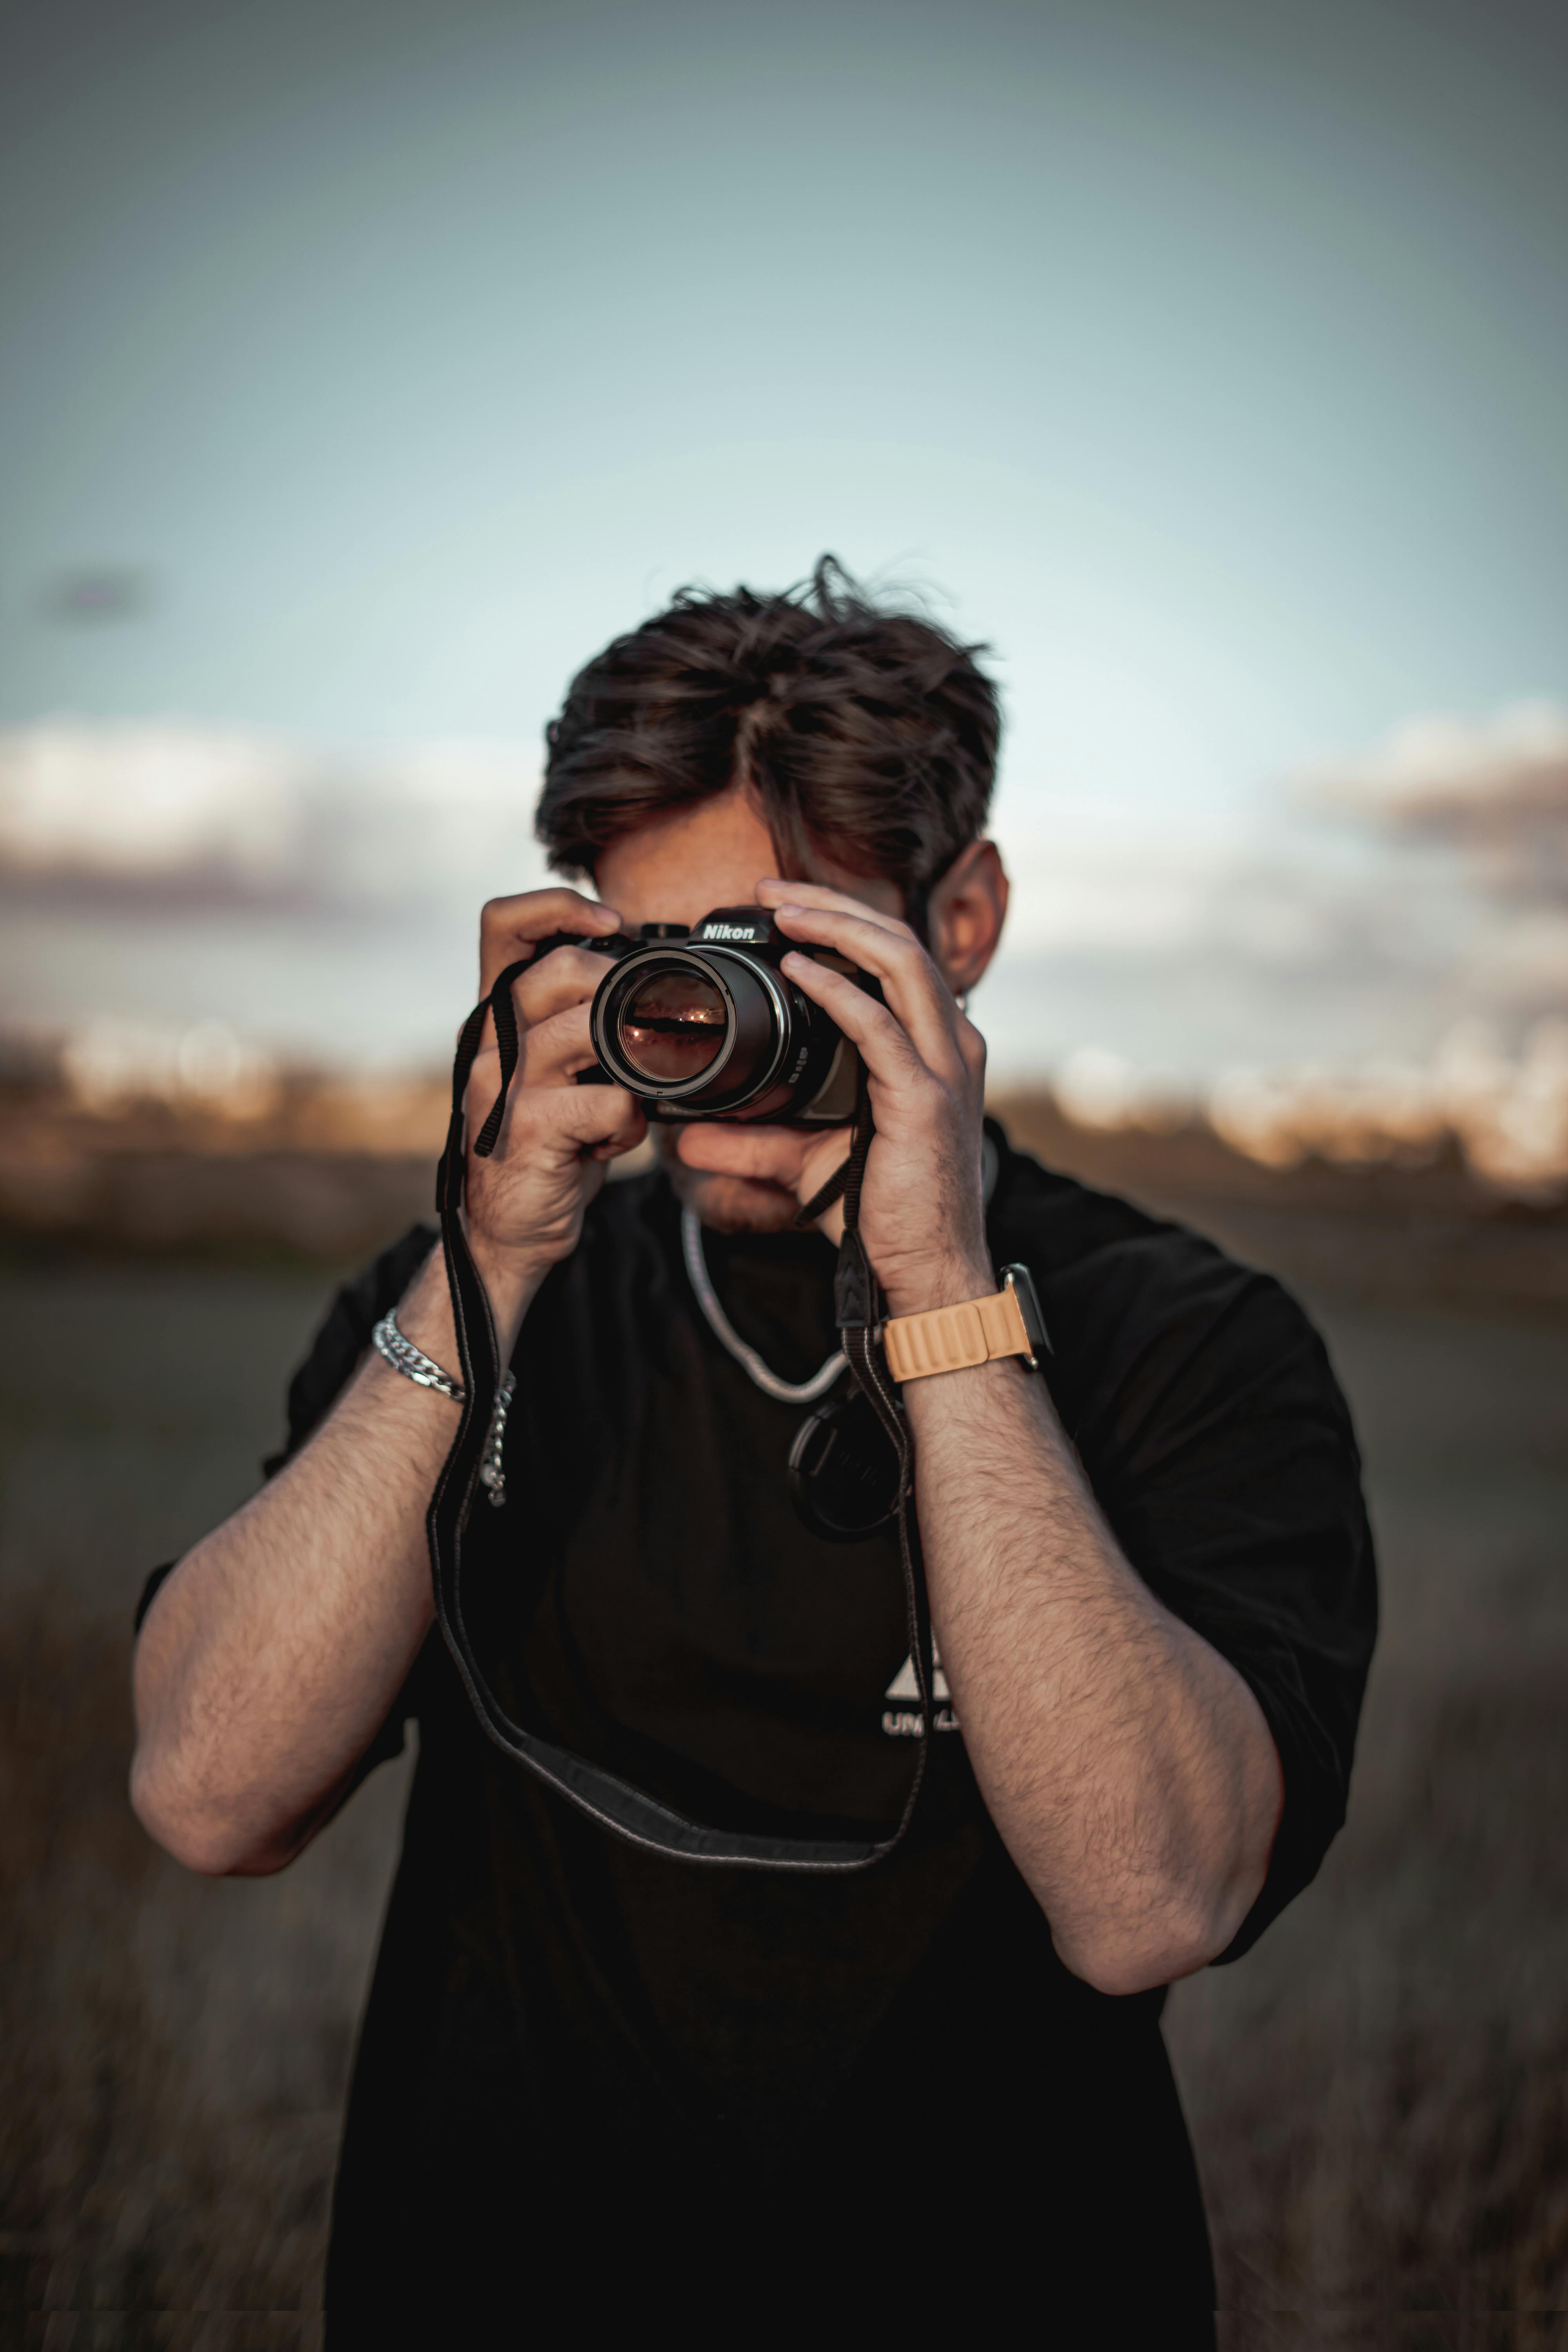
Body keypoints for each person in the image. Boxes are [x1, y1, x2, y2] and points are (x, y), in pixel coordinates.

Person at [129, 560, 1376, 2330]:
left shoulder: (1188, 1338)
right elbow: (208, 1793)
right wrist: (492, 1254)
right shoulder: (489, 1300)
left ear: (961, 922)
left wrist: (940, 1292)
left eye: (775, 950)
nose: (701, 1018)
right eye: (652, 955)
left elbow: (1148, 1904)